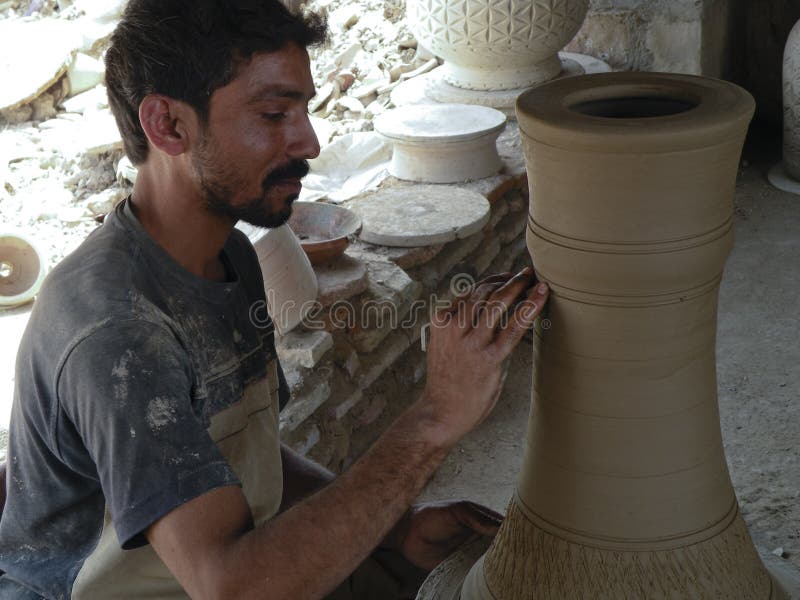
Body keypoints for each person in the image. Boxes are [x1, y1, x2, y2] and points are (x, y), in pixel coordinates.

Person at [0, 1, 550, 598]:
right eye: (273, 113)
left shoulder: (230, 254)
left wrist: (396, 530)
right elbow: (232, 587)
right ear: (168, 125)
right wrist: (435, 417)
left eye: (304, 110)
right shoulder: (117, 333)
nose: (310, 142)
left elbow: (250, 457)